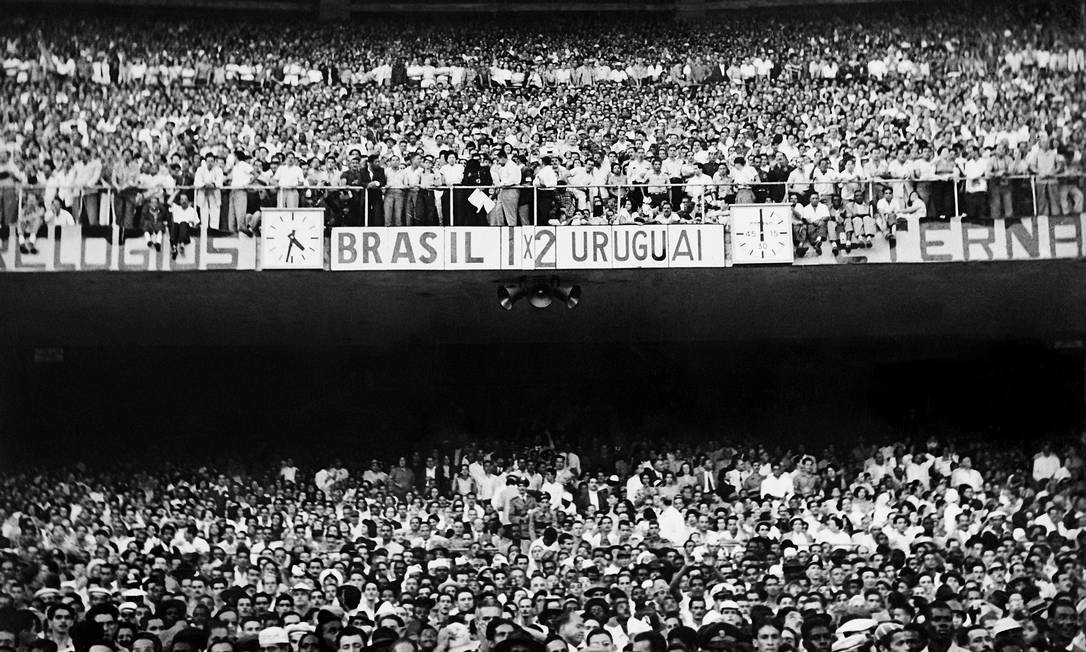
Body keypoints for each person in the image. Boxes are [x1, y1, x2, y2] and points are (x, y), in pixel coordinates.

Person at [169, 193, 199, 260]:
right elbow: (169, 202)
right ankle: (174, 247)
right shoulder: (176, 208)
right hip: (176, 229)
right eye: (182, 199)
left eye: (185, 199)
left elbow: (197, 223)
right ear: (179, 201)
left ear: (188, 201)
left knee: (183, 223)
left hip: (187, 229)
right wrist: (176, 192)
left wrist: (192, 224)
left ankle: (181, 244)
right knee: (176, 224)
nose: (184, 201)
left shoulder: (192, 210)